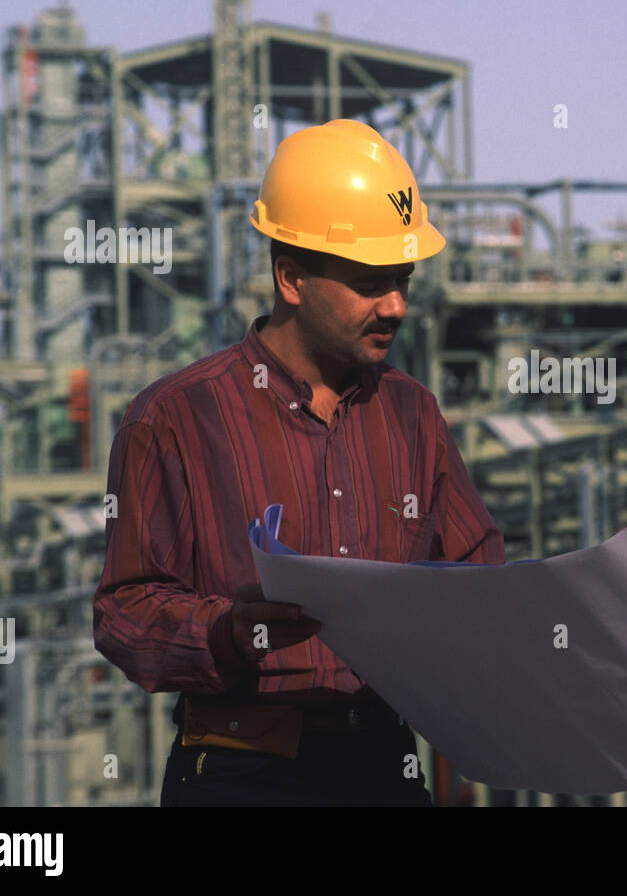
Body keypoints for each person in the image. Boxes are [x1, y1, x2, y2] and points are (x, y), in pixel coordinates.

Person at [94, 119, 505, 806]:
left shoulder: (412, 415)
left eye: (402, 278)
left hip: (383, 764)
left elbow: (480, 572)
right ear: (292, 278)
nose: (397, 305)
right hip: (240, 772)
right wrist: (228, 630)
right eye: (371, 281)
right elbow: (124, 611)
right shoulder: (176, 417)